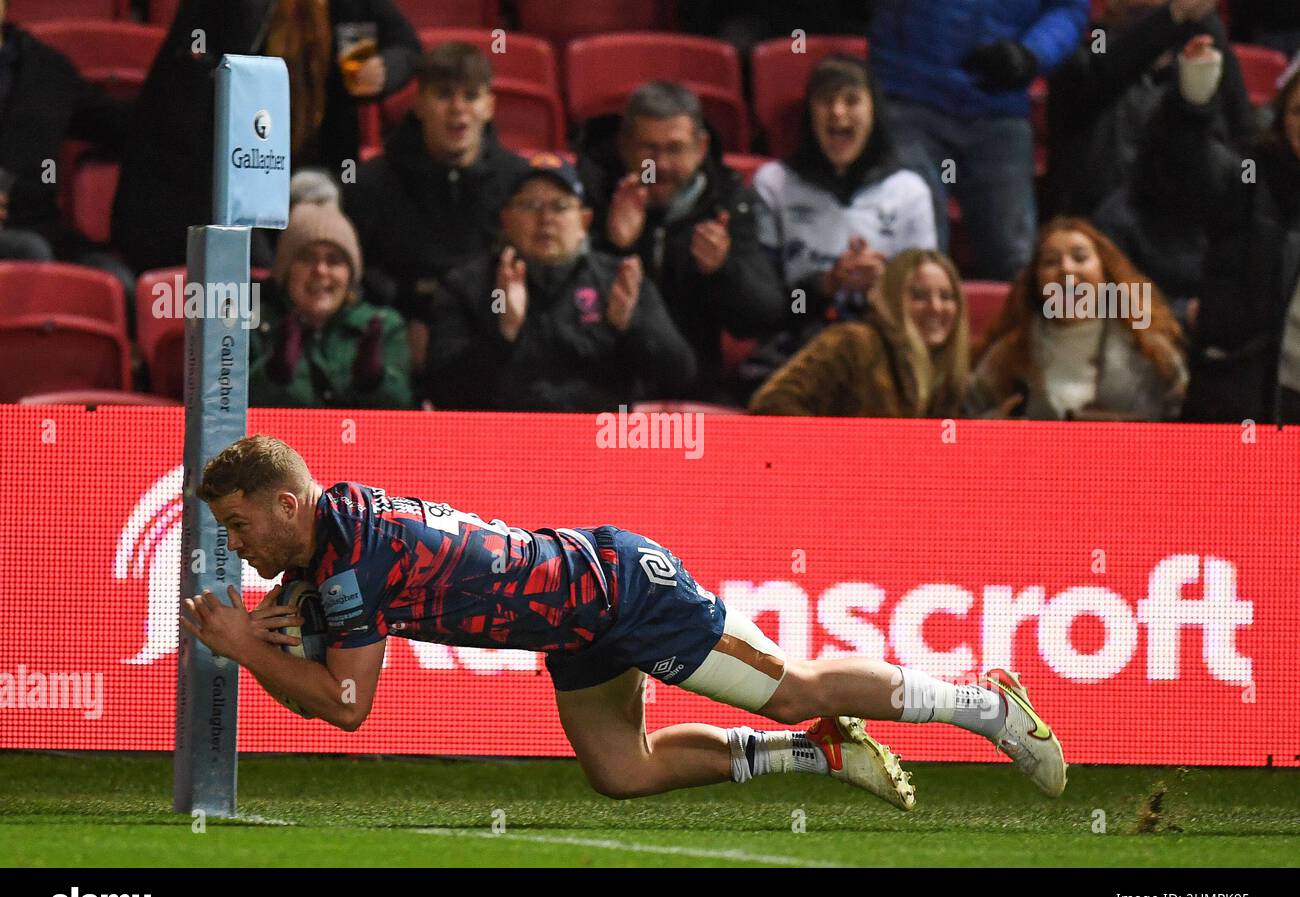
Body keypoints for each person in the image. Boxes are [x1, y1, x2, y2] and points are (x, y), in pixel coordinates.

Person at [180, 433, 1069, 805]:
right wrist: (264, 621)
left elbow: (344, 705)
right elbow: (309, 600)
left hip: (622, 592)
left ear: (289, 504)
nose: (237, 544)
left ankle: (984, 703)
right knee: (622, 771)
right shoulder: (333, 530)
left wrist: (239, 645)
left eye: (241, 526)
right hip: (572, 627)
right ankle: (824, 753)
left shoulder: (349, 559)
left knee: (790, 686)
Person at [112, 0, 420, 274]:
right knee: (261, 275)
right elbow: (187, 74)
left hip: (314, 167)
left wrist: (386, 68)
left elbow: (406, 45)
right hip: (225, 167)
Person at [423, 154, 696, 412]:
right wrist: (502, 335)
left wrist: (632, 326)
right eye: (530, 205)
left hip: (598, 445)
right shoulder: (467, 286)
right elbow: (442, 391)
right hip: (501, 446)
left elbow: (680, 375)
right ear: (505, 219)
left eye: (560, 206)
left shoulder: (618, 281)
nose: (546, 220)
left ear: (584, 222)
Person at [577, 81, 787, 402]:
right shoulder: (586, 194)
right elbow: (566, 306)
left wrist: (722, 270)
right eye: (648, 149)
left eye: (674, 149)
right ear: (624, 146)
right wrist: (613, 245)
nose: (659, 165)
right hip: (598, 390)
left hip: (695, 396)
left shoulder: (727, 204)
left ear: (700, 148)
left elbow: (762, 318)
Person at [742, 54, 937, 399]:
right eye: (826, 100)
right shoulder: (773, 184)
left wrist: (884, 286)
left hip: (885, 352)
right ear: (809, 114)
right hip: (794, 349)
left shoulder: (909, 191)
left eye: (851, 100)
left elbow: (928, 308)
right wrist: (827, 284)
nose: (838, 113)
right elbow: (761, 308)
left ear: (873, 111)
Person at [869, 0, 1089, 279]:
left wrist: (1030, 56)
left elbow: (1068, 8)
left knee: (1015, 261)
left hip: (999, 107)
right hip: (908, 96)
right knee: (916, 255)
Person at [346, 42, 530, 375]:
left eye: (471, 96)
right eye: (444, 95)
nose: (458, 109)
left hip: (491, 337)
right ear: (418, 104)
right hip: (389, 336)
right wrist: (405, 321)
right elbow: (358, 274)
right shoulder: (371, 183)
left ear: (490, 106)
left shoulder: (520, 183)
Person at [1146, 38, 1300, 423]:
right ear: (1282, 117)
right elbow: (1186, 162)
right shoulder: (1252, 176)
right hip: (1246, 401)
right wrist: (1193, 99)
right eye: (1299, 111)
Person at [1045, 0, 1250, 221]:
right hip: (1095, 219)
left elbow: (1242, 130)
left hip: (1179, 221)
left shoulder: (1203, 49)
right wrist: (1172, 15)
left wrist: (1202, 19)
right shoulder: (1095, 38)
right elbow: (1097, 76)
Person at [966, 217, 1186, 420]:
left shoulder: (1149, 348)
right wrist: (996, 425)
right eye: (1051, 262)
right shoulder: (1009, 355)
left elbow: (1185, 417)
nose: (1067, 269)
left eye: (1080, 257)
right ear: (1036, 283)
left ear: (1105, 273)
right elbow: (967, 417)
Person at [748, 249, 970, 417]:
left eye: (946, 297)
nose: (936, 307)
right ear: (893, 301)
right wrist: (840, 462)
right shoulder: (854, 343)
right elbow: (772, 404)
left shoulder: (950, 375)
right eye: (919, 296)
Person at [0, 0, 131, 282]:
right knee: (31, 253)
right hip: (27, 247)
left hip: (40, 226)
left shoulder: (45, 69)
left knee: (116, 279)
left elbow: (125, 126)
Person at [249, 202, 414, 409]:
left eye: (334, 260)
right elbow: (231, 405)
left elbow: (405, 409)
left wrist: (374, 382)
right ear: (286, 271)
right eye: (307, 258)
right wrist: (273, 375)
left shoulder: (383, 326)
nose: (320, 270)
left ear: (350, 276)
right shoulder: (253, 325)